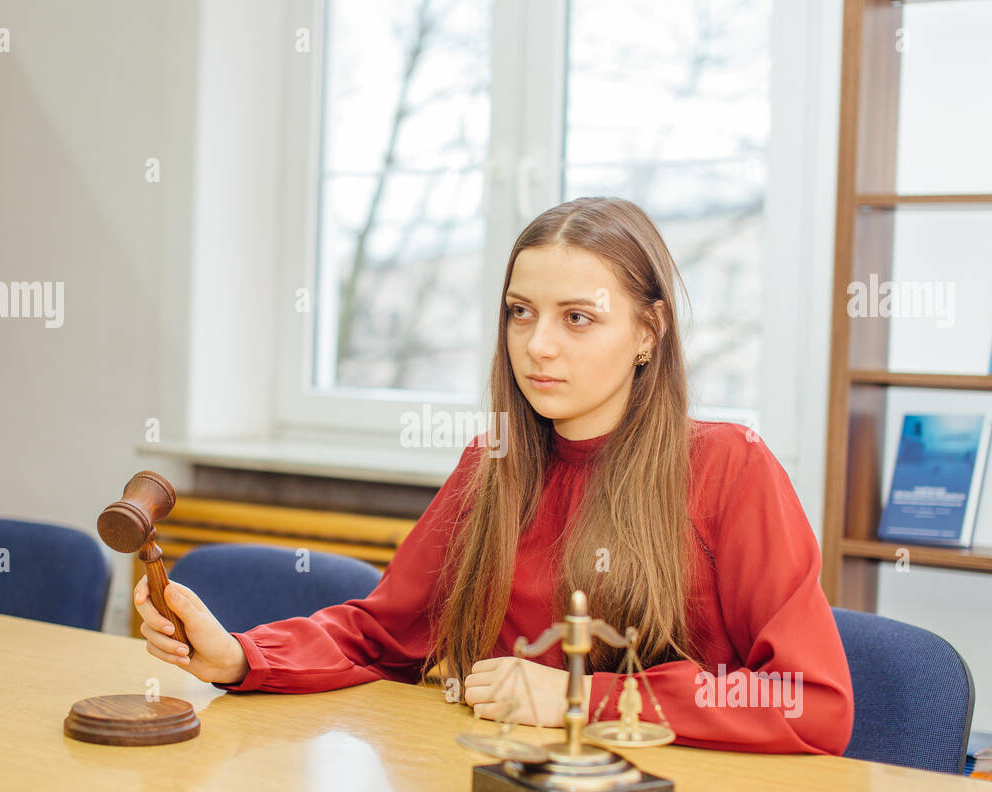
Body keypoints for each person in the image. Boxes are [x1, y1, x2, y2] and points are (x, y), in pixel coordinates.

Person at [134, 196, 854, 756]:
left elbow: (814, 703)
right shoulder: (492, 464)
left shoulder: (731, 467)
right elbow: (378, 635)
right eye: (520, 313)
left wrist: (581, 698)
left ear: (647, 332)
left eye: (577, 318)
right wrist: (241, 658)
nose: (537, 345)